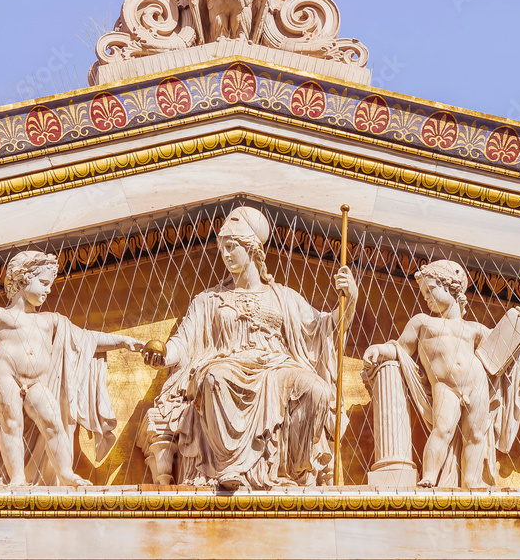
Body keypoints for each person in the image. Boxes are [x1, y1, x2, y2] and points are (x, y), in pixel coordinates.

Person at [138, 206, 358, 490]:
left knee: (317, 390)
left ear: (252, 248)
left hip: (278, 368)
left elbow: (325, 329)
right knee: (214, 379)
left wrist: (349, 298)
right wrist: (164, 355)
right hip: (228, 365)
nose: (225, 254)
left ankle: (294, 471)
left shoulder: (283, 297)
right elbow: (183, 341)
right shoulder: (208, 300)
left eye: (232, 247)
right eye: (223, 248)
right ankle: (229, 467)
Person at [0, 250, 142, 486]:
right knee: (11, 423)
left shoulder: (50, 320)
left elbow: (86, 338)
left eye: (49, 284)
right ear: (23, 279)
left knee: (52, 421)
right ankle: (17, 477)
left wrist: (123, 341)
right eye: (43, 283)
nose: (48, 290)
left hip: (38, 381)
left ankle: (65, 473)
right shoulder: (0, 315)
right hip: (6, 373)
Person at [363, 260, 520, 488]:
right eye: (424, 293)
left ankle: (471, 481)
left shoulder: (474, 328)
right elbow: (401, 348)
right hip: (445, 386)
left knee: (476, 435)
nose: (426, 297)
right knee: (443, 429)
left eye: (430, 289)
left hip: (477, 383)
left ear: (449, 287)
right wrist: (380, 349)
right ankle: (430, 476)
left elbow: (501, 346)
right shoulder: (423, 322)